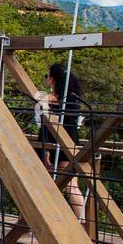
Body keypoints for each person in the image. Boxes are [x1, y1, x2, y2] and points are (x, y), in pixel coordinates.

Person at [38, 61, 87, 222]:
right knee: (72, 185)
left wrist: (44, 149)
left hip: (52, 141)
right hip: (71, 142)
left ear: (52, 79)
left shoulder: (50, 99)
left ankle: (34, 221)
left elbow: (45, 124)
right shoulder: (73, 99)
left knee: (43, 183)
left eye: (47, 76)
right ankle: (84, 223)